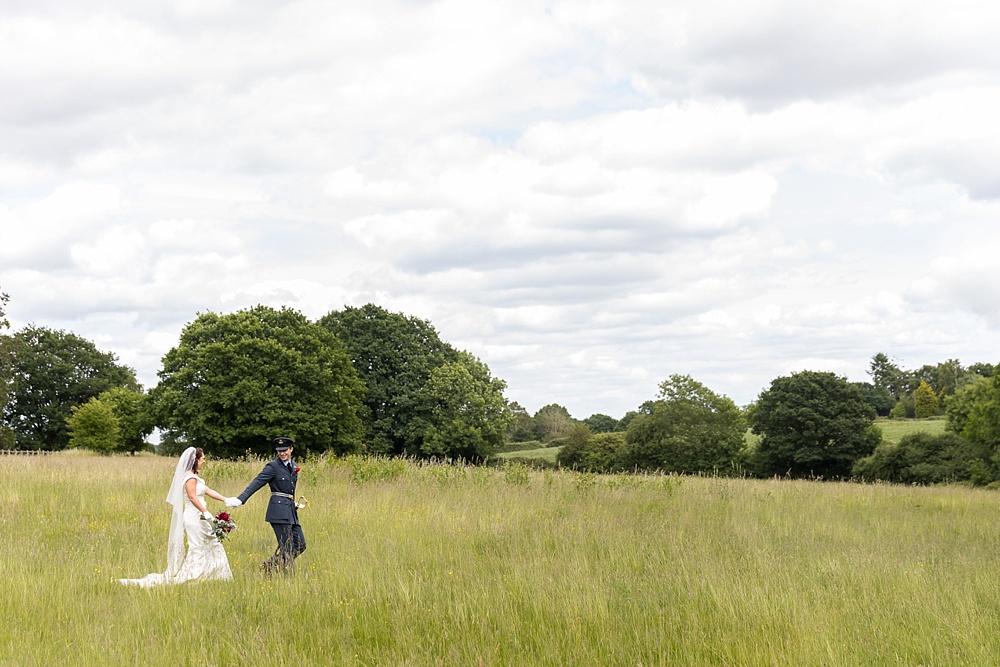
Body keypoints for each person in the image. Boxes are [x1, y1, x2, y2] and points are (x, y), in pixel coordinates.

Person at [120, 446, 233, 587]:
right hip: (195, 517)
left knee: (211, 543)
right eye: (202, 458)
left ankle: (213, 576)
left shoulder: (194, 477)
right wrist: (205, 511)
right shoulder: (190, 478)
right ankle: (194, 577)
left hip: (200, 517)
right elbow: (192, 497)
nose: (204, 461)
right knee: (198, 547)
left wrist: (226, 499)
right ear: (195, 460)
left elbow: (208, 491)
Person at [226, 436, 305, 573]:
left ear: (291, 449)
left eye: (285, 450)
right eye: (279, 451)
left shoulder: (294, 467)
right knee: (287, 547)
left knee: (300, 544)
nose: (282, 453)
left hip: (290, 511)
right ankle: (287, 578)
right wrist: (241, 499)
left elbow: (289, 490)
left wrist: (294, 504)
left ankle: (269, 566)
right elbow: (257, 482)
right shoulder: (273, 466)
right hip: (278, 512)